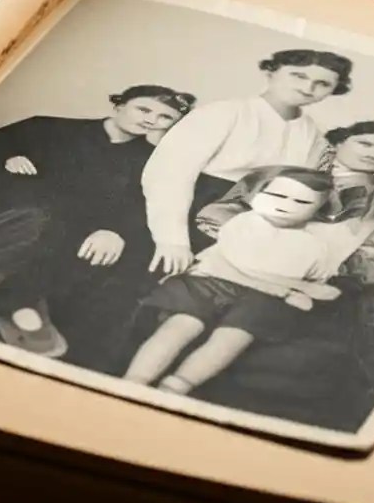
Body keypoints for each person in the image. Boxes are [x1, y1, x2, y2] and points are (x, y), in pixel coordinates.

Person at [60, 49, 353, 373]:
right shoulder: (226, 113)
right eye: (299, 75)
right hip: (181, 209)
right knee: (137, 288)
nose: (309, 87)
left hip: (245, 223)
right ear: (271, 72)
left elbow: (301, 195)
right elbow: (171, 173)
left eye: (323, 83)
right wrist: (172, 238)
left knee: (197, 304)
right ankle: (84, 370)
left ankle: (140, 378)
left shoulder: (312, 135)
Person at [0, 84, 196, 352]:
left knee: (112, 258)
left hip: (57, 244)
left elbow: (145, 208)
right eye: (144, 109)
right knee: (42, 219)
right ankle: (13, 306)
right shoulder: (46, 128)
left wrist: (115, 231)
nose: (151, 119)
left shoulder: (152, 163)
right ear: (118, 105)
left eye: (164, 117)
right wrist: (9, 176)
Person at [183, 120, 374, 430]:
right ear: (340, 141)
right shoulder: (278, 173)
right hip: (238, 253)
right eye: (366, 143)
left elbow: (358, 249)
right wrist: (252, 237)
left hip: (312, 272)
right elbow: (218, 212)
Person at [123, 167, 337, 395]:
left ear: (319, 210)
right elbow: (233, 267)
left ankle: (177, 385)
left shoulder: (315, 246)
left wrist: (304, 290)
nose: (286, 205)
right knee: (182, 324)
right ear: (257, 196)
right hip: (213, 282)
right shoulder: (245, 223)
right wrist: (288, 290)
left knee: (232, 338)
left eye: (302, 202)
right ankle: (135, 379)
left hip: (261, 299)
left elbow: (321, 285)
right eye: (277, 195)